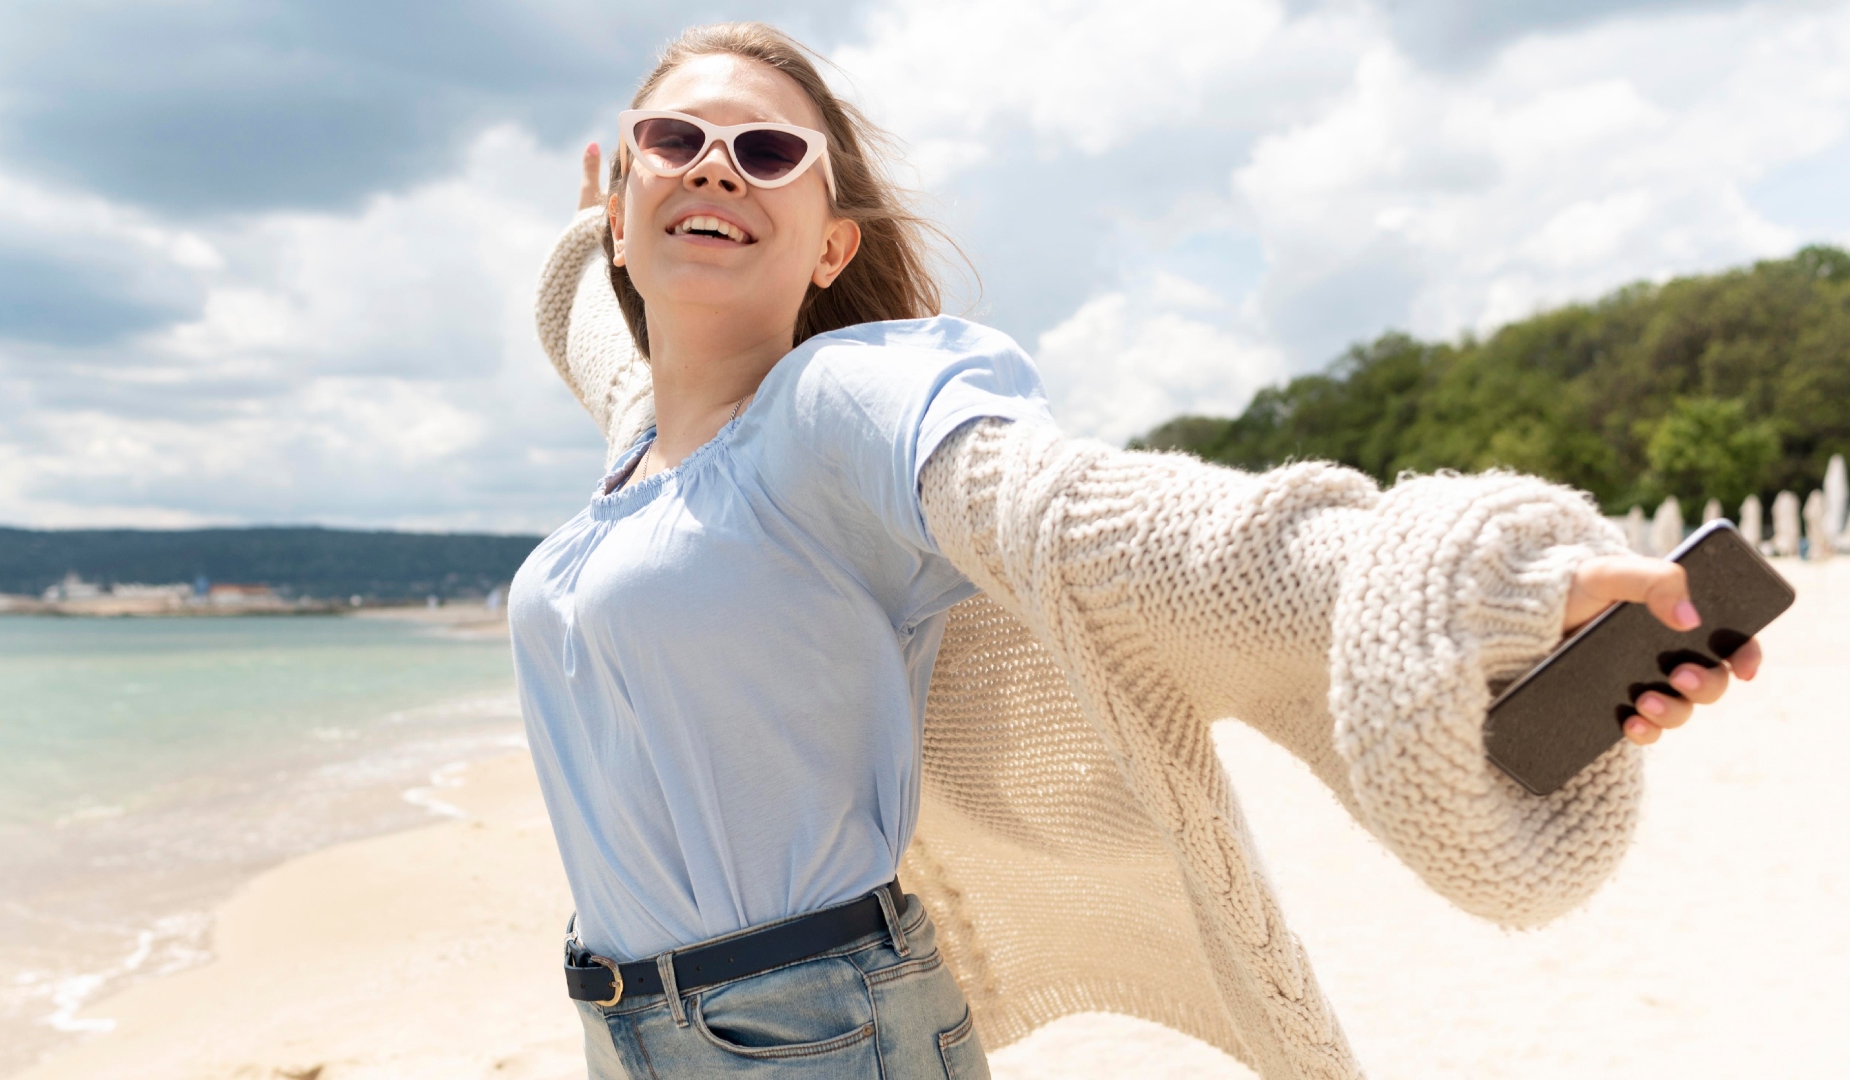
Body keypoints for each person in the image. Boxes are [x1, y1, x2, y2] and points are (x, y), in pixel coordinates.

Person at [512, 22, 1764, 1080]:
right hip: (626, 1029)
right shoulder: (641, 448)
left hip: (814, 1035)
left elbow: (1085, 518)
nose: (715, 166)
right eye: (674, 140)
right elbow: (594, 332)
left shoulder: (838, 410)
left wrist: (1480, 590)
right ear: (622, 214)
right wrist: (587, 238)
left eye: (769, 152)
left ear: (832, 246)